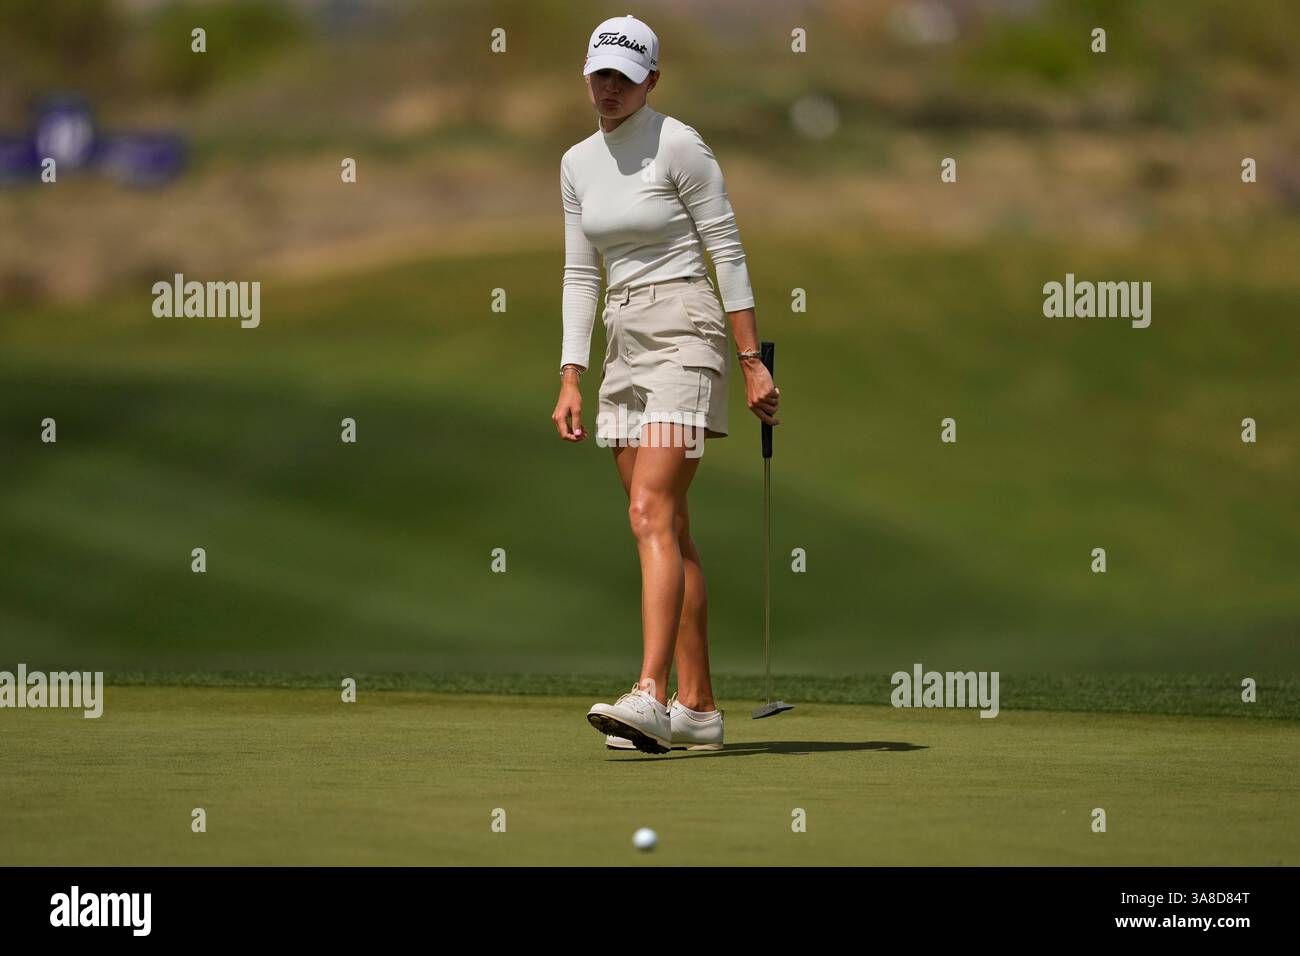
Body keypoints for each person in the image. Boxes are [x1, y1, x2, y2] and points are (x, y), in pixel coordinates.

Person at [551, 14, 780, 754]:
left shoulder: (679, 144)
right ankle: (700, 710)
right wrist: (572, 374)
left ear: (652, 79)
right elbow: (581, 272)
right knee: (669, 528)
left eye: (623, 75)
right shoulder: (576, 163)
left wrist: (751, 359)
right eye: (599, 73)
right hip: (623, 340)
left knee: (650, 509)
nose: (608, 87)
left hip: (687, 329)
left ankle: (649, 693)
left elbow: (727, 249)